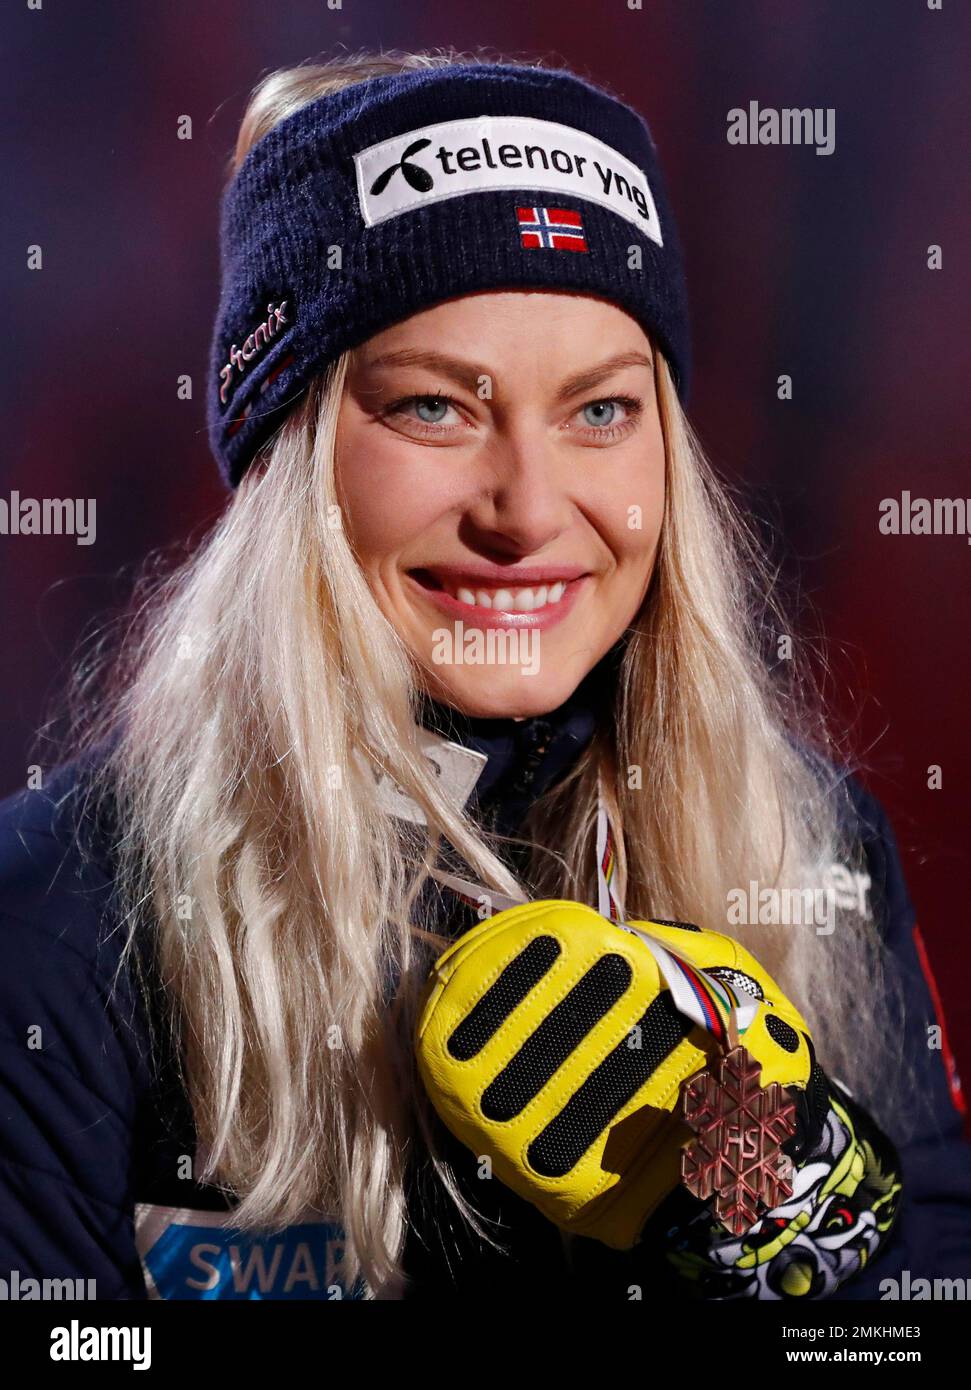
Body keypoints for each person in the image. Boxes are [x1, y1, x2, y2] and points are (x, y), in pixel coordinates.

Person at [0, 48, 968, 1304]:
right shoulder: (56, 909)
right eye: (435, 409)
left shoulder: (803, 835)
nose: (526, 507)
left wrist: (800, 1211)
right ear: (289, 459)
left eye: (600, 410)